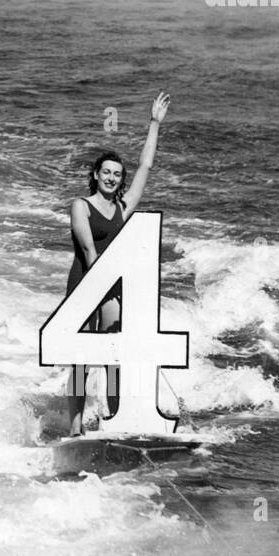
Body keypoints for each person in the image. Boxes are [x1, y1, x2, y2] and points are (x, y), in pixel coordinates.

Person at [65, 92, 170, 436]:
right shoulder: (80, 205)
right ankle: (75, 427)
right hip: (85, 283)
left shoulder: (124, 208)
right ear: (95, 175)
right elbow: (88, 249)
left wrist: (154, 123)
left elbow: (146, 167)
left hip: (112, 288)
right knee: (81, 358)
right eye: (105, 172)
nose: (111, 178)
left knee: (114, 352)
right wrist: (97, 291)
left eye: (116, 174)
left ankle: (113, 419)